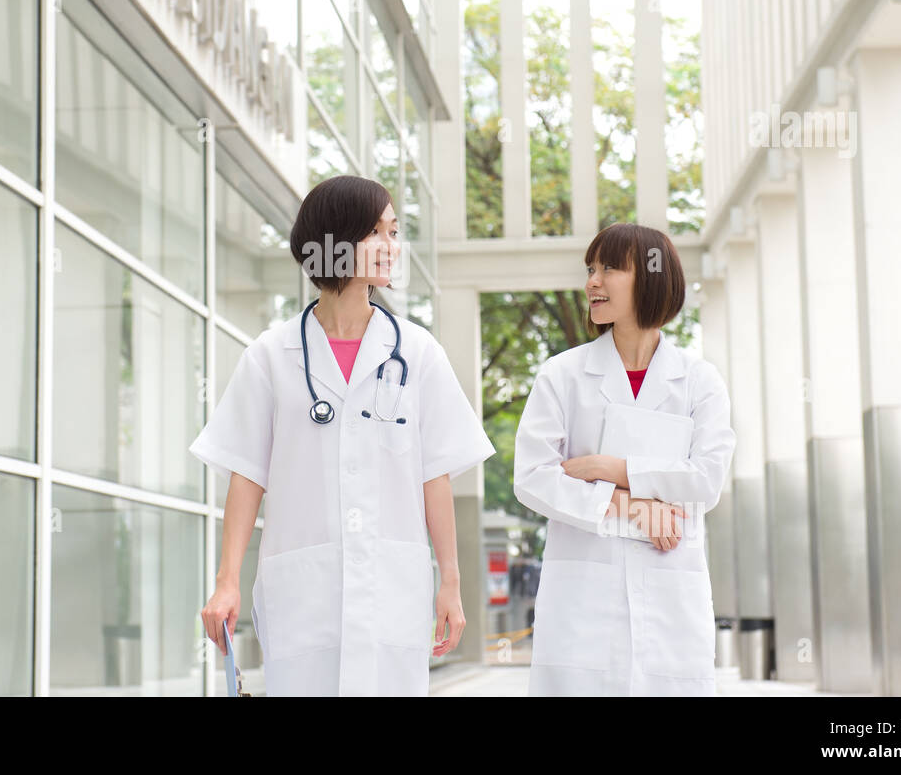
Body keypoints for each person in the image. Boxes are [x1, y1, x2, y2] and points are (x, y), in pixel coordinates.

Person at [193, 175, 495, 696]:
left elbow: (434, 475)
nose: (389, 246)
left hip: (391, 589)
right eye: (373, 232)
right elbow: (246, 476)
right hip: (303, 592)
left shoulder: (417, 354)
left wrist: (451, 581)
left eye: (394, 232)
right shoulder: (271, 356)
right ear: (332, 241)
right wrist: (227, 582)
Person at [513, 222, 736, 695]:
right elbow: (533, 477)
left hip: (670, 597)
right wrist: (634, 506)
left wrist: (606, 469)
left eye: (610, 268)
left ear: (653, 277)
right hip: (582, 606)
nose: (592, 281)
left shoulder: (698, 381)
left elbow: (706, 482)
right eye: (590, 269)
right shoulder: (563, 376)